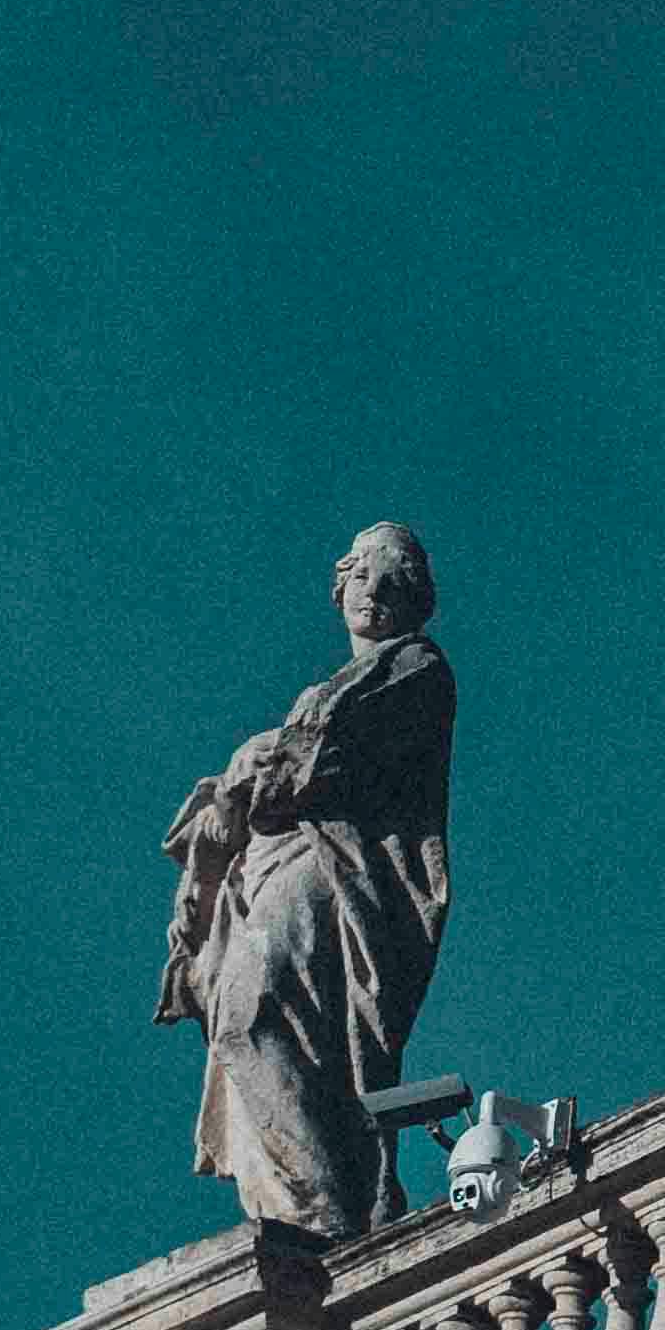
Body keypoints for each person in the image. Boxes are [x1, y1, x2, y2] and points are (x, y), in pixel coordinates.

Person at [160, 525, 455, 1240]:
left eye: (394, 579)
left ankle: (324, 1213)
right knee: (249, 1027)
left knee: (258, 1013)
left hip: (334, 872)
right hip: (274, 867)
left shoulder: (415, 668)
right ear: (340, 587)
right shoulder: (328, 689)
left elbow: (312, 767)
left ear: (415, 598)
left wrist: (249, 768)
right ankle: (301, 1209)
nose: (375, 591)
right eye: (362, 575)